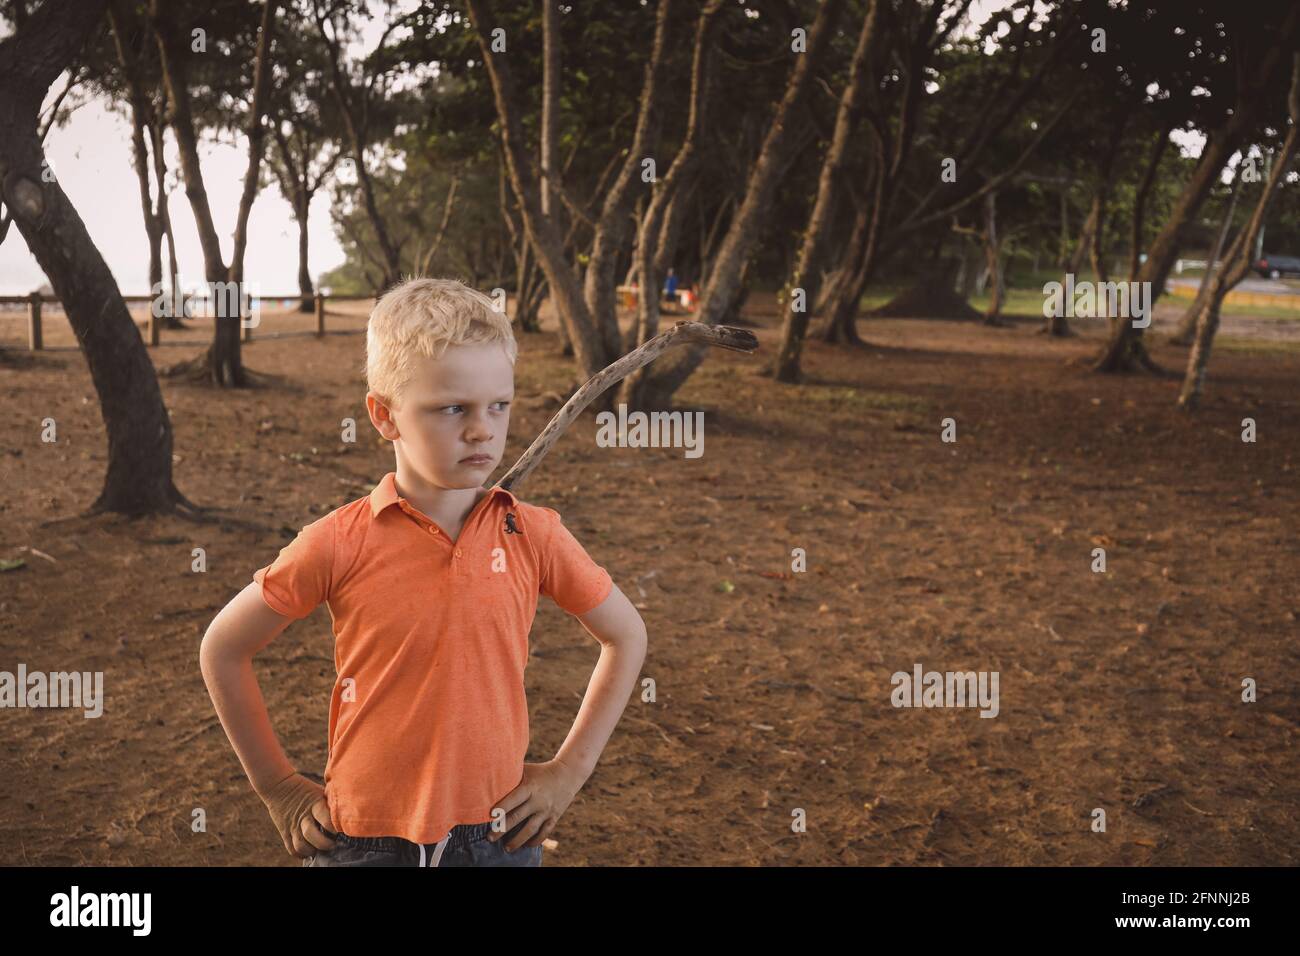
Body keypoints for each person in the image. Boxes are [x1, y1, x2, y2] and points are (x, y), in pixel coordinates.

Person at [199, 277, 648, 867]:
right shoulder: (338, 541)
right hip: (363, 838)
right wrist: (278, 787)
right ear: (384, 416)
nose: (482, 429)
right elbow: (223, 649)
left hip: (497, 836)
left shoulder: (532, 535)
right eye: (452, 408)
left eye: (499, 406)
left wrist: (568, 771)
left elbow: (626, 634)